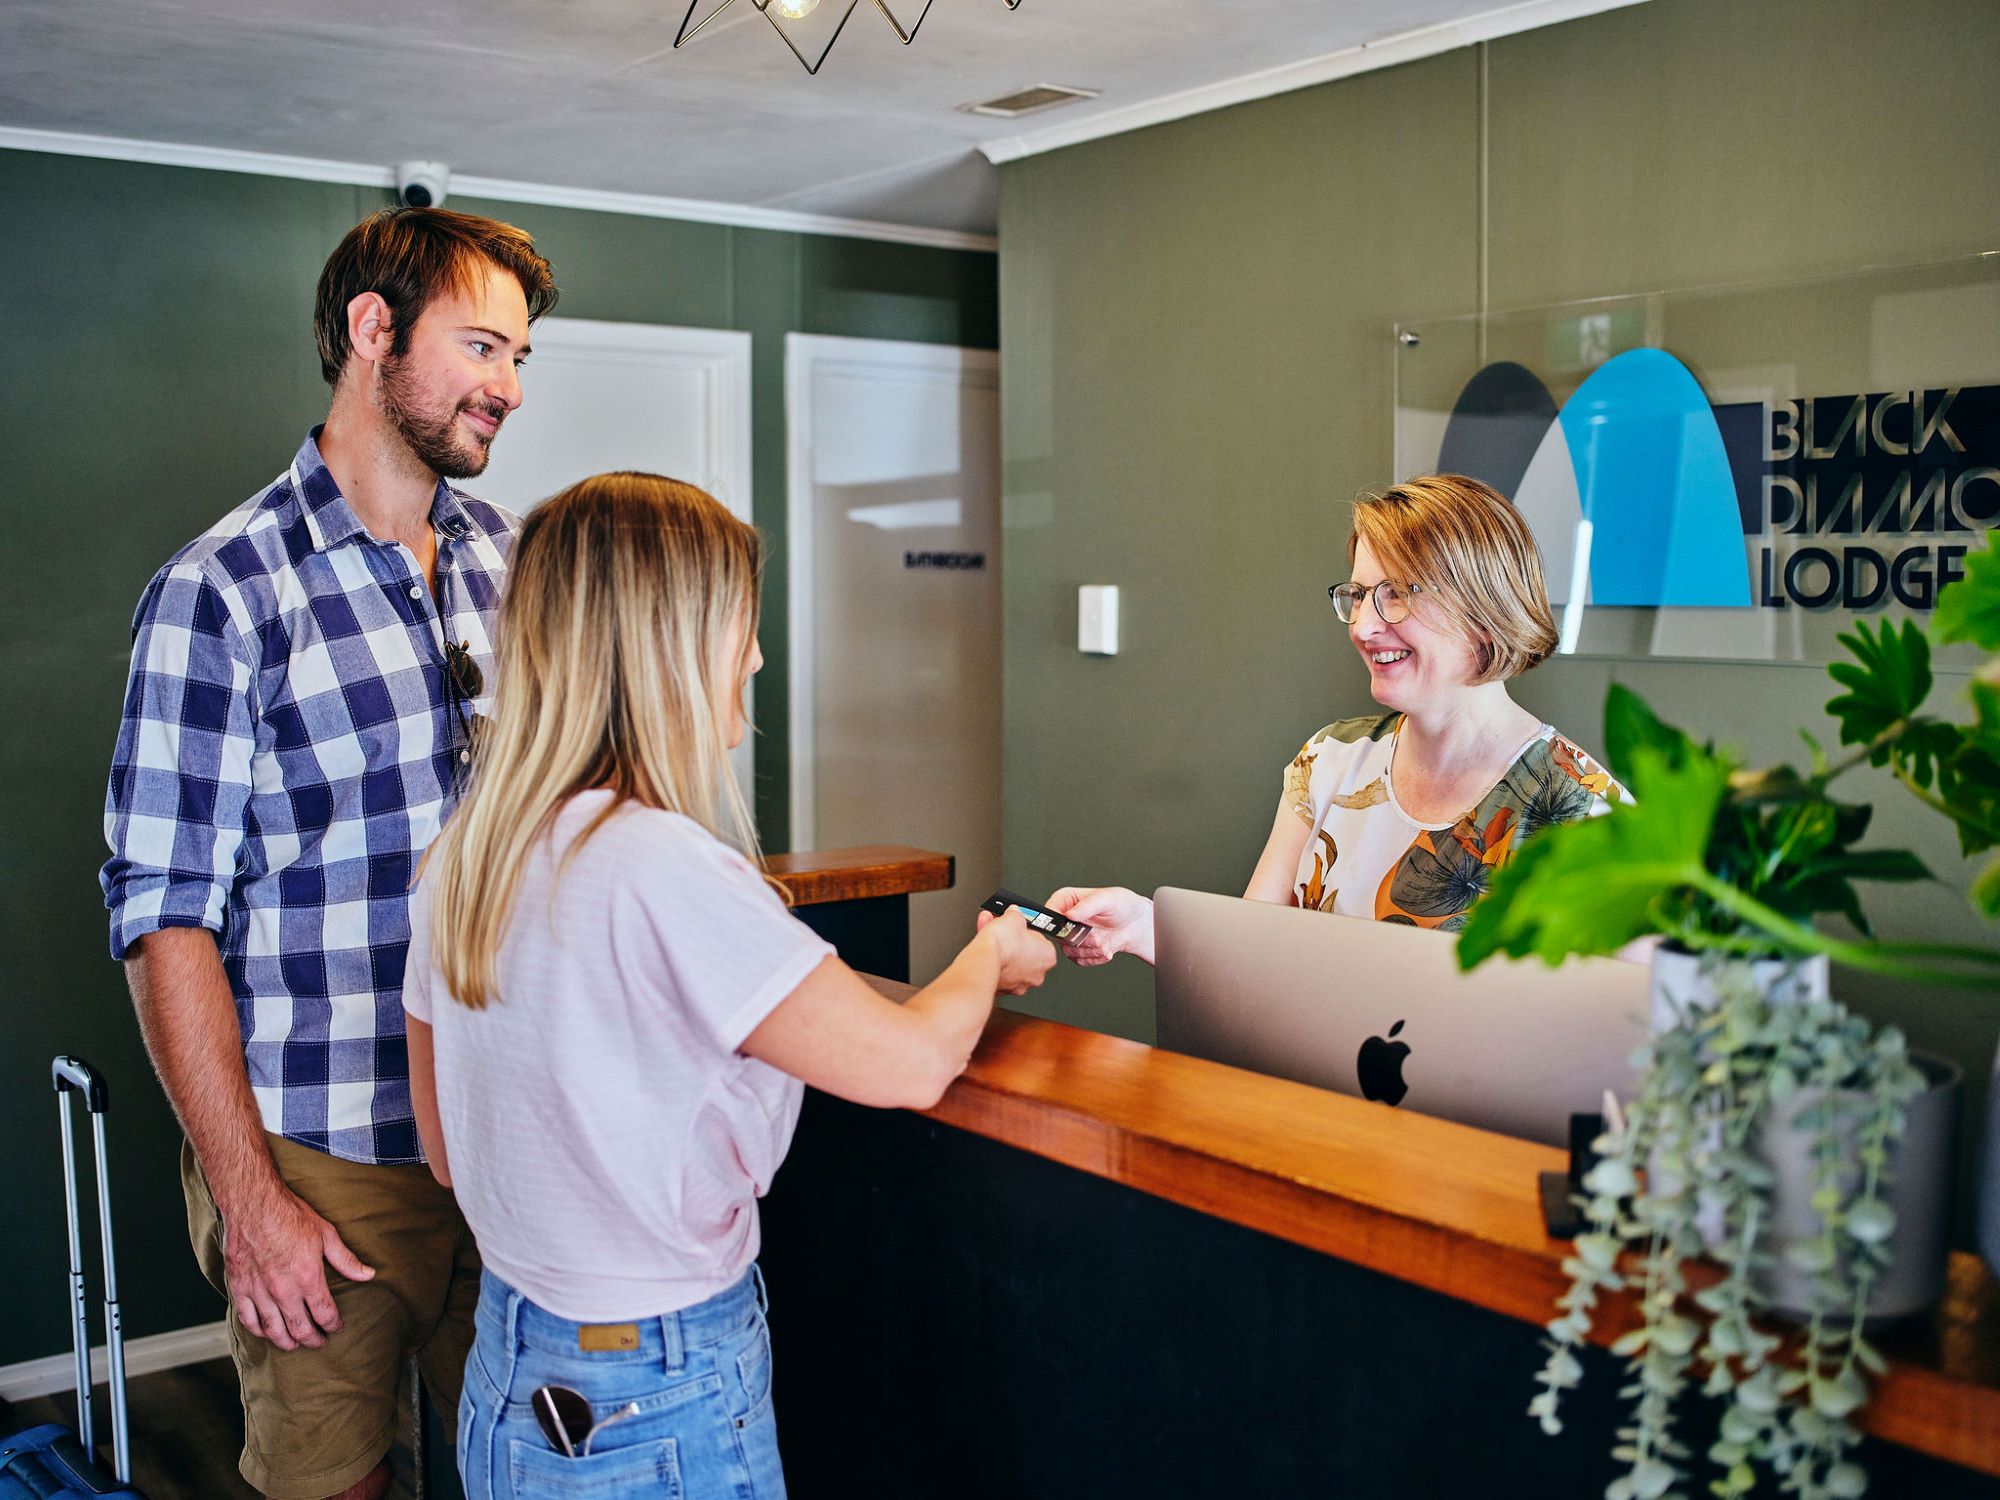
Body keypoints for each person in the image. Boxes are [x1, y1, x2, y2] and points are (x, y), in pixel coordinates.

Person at [402, 471, 1056, 1500]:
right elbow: (912, 1065)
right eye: (739, 627)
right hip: (651, 1391)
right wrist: (994, 956)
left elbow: (445, 1150)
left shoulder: (465, 858)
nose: (753, 654)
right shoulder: (661, 867)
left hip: (511, 1370)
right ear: (673, 645)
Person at [101, 207, 558, 1500]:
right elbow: (163, 912)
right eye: (482, 347)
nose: (508, 389)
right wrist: (250, 1200)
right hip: (325, 1150)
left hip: (509, 1137)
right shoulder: (224, 591)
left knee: (520, 1472)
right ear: (374, 331)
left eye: (520, 359)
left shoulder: (516, 565)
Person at [1049, 472, 1627, 963]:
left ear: (1483, 608)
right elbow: (1252, 950)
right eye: (1358, 594)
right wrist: (1143, 925)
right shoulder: (1330, 759)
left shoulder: (1588, 812)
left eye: (1395, 594)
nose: (1363, 627)